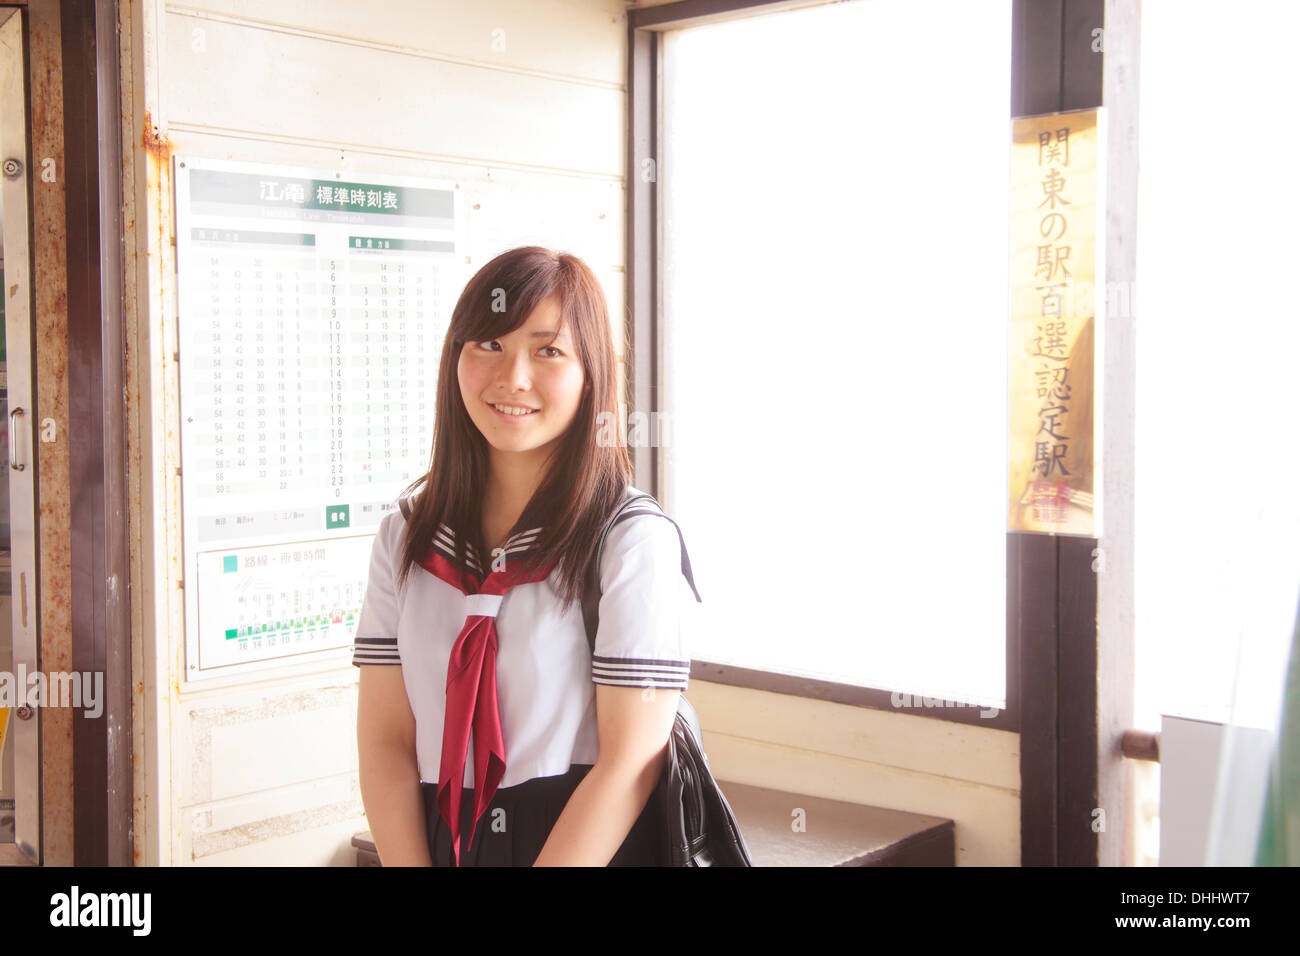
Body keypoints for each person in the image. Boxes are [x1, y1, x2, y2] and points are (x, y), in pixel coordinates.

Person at [353, 246, 695, 866]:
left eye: (548, 351)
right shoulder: (405, 540)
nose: (513, 377)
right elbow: (385, 744)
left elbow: (630, 765)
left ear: (591, 374)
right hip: (440, 843)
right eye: (489, 345)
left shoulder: (629, 540)